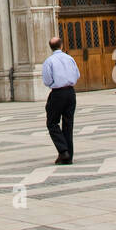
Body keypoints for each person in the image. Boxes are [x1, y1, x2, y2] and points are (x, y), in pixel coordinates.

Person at [41, 34, 79, 165]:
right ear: (61, 45)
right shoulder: (70, 58)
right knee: (68, 124)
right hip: (70, 92)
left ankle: (63, 151)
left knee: (52, 123)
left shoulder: (49, 61)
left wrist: (54, 83)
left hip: (57, 93)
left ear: (50, 47)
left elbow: (47, 80)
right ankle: (69, 156)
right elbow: (77, 74)